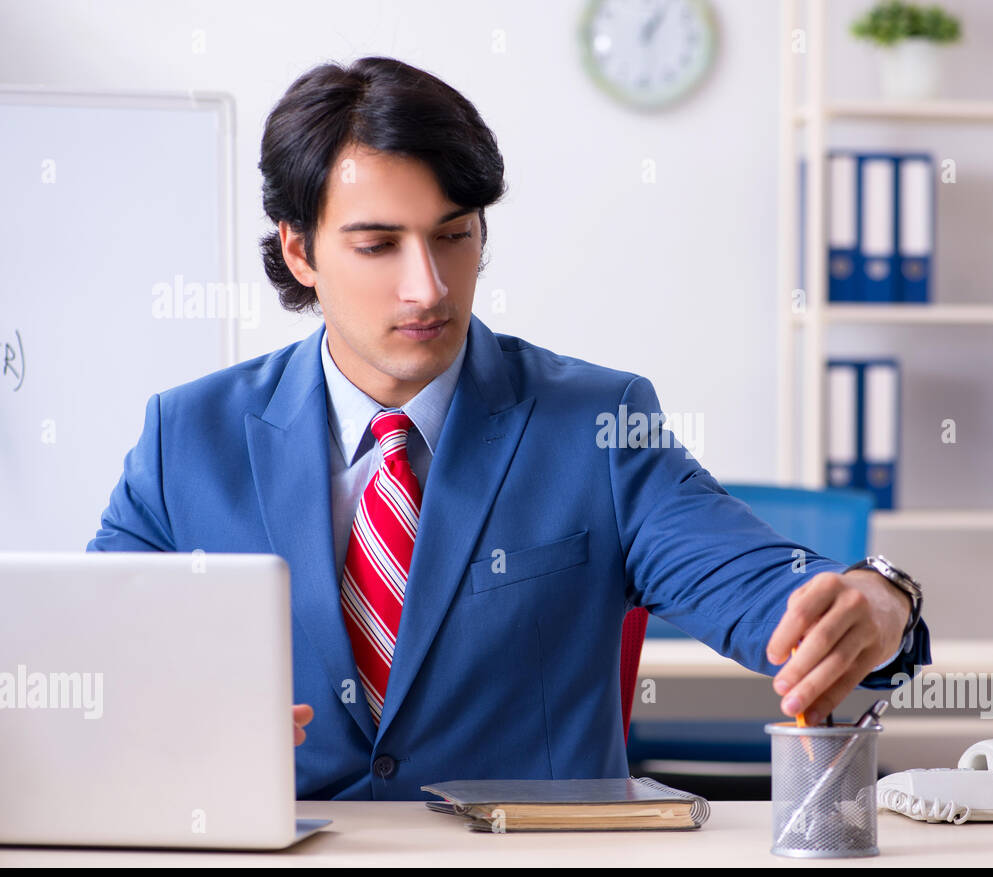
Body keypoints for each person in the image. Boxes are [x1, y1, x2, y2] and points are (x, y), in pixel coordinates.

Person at [87, 56, 931, 799]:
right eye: (379, 245)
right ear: (300, 251)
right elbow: (89, 669)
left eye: (453, 236)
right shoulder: (185, 439)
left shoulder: (600, 423)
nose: (428, 287)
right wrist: (180, 716)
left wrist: (876, 597)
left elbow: (762, 589)